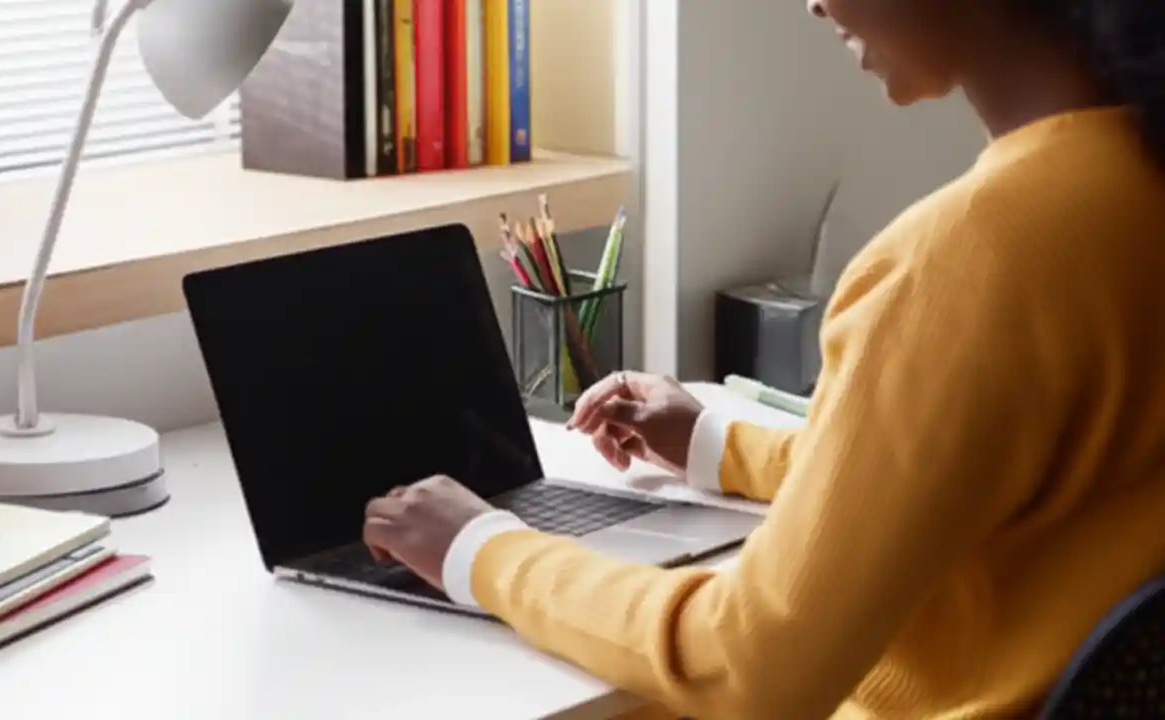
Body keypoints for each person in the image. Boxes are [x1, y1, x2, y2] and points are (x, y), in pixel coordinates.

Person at [361, 0, 1165, 716]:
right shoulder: (1129, 187)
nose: (812, 5)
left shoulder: (969, 258)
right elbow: (982, 465)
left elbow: (747, 667)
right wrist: (719, 446)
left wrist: (482, 551)